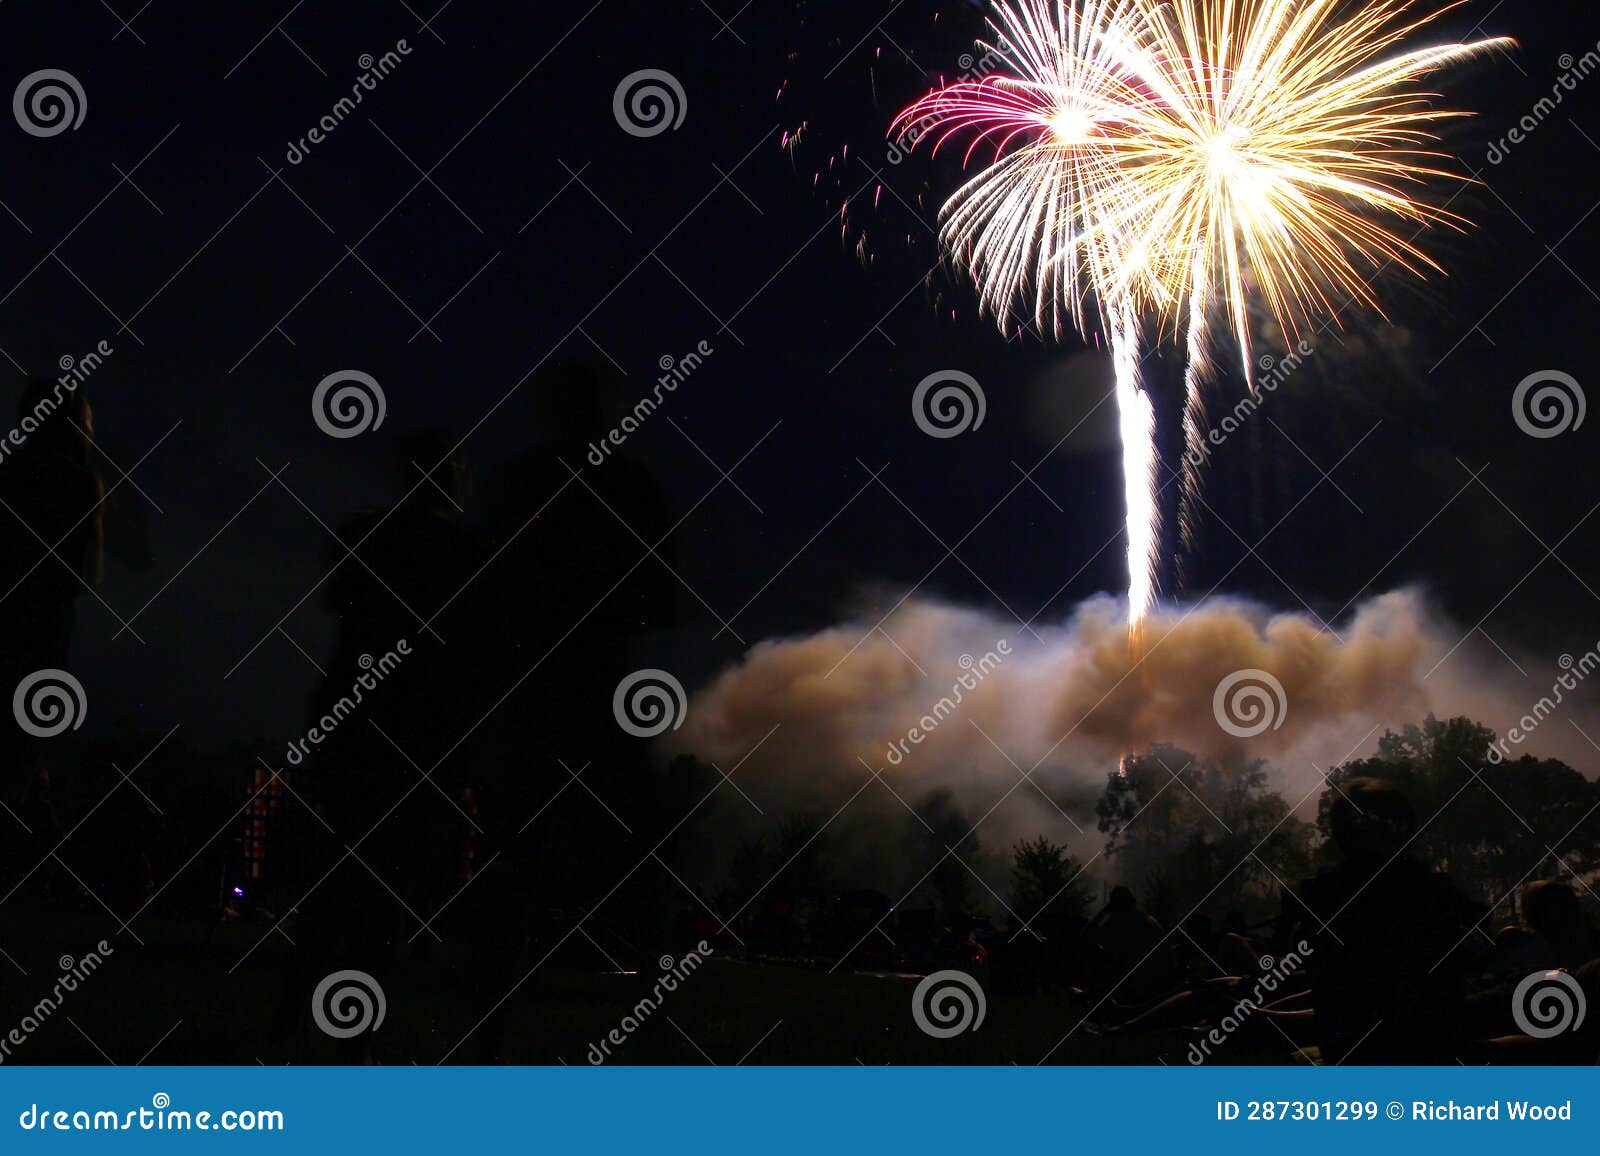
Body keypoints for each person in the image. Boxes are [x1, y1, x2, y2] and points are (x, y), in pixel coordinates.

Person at [1283, 777, 1481, 1063]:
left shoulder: (1320, 895)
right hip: (1432, 1053)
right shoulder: (1434, 892)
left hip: (1351, 1056)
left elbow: (1319, 975)